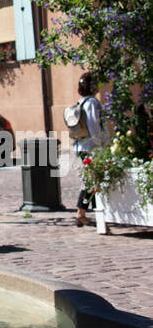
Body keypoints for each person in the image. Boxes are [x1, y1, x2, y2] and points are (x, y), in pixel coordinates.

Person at [72, 74, 110, 226]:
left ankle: (85, 212)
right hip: (91, 147)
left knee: (92, 179)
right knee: (92, 179)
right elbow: (94, 126)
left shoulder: (81, 102)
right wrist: (101, 144)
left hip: (81, 146)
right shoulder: (93, 102)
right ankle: (84, 212)